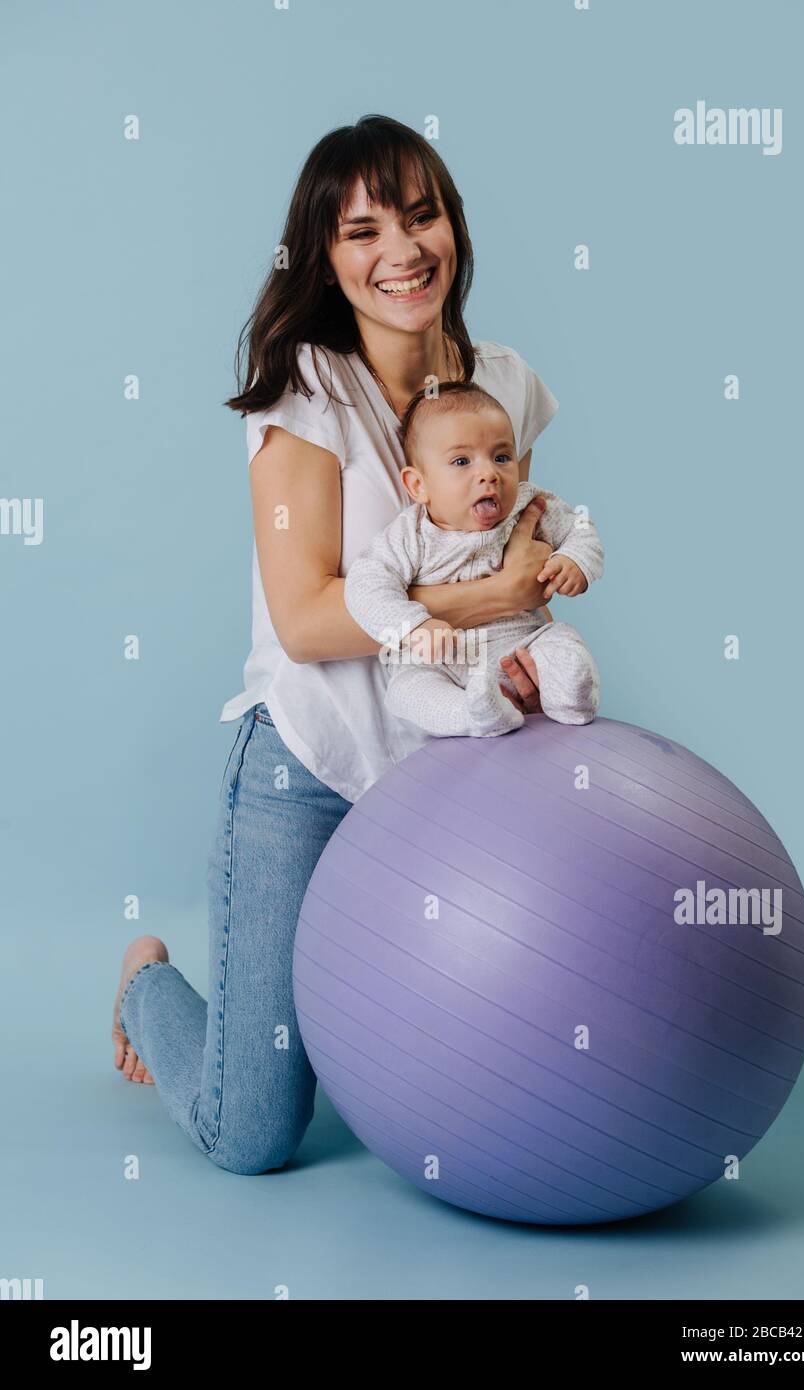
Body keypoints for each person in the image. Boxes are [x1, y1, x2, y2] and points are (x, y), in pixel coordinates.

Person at [110, 113, 575, 1175]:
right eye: (362, 231)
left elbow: (505, 550)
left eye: (421, 216)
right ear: (324, 256)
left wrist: (519, 629)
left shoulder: (503, 379)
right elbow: (307, 621)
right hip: (305, 766)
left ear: (453, 227)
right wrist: (482, 600)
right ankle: (144, 983)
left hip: (445, 763)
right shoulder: (303, 396)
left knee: (474, 1075)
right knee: (255, 1132)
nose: (401, 252)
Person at [344, 380, 604, 736]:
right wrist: (413, 627)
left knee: (561, 641)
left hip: (521, 644)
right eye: (462, 461)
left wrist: (575, 558)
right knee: (406, 690)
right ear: (419, 485)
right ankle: (475, 714)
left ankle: (571, 697)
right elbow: (365, 585)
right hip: (442, 664)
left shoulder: (530, 505)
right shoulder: (410, 534)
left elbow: (581, 528)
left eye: (501, 457)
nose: (488, 474)